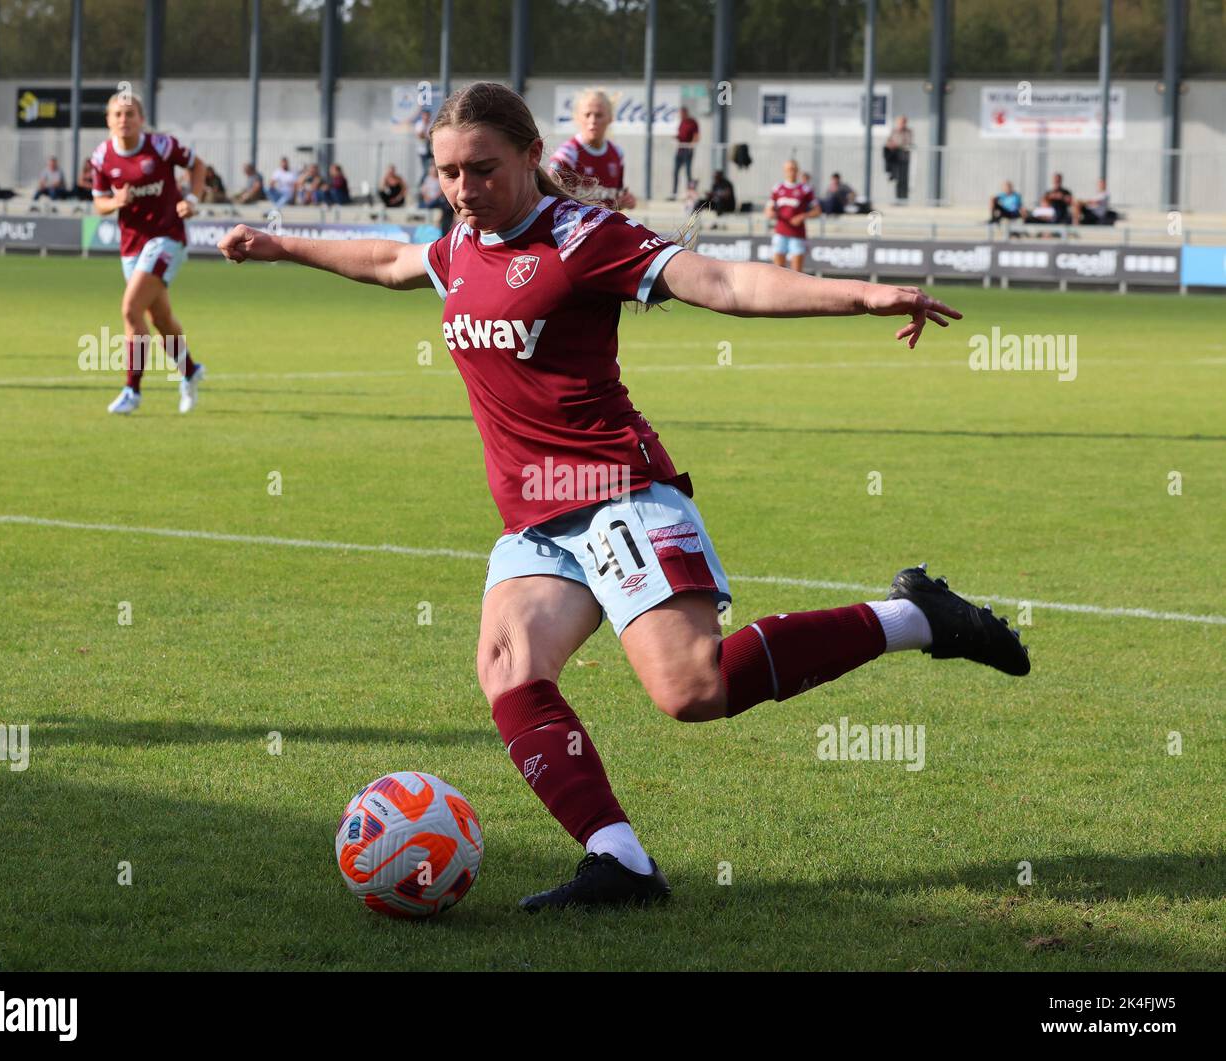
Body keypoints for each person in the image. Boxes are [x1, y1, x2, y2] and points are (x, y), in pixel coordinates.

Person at [217, 81, 1027, 913]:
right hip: (534, 518)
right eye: (448, 173)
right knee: (507, 666)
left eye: (483, 170)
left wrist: (861, 294)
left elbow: (723, 283)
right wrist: (280, 244)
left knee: (692, 689)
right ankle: (620, 862)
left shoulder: (583, 237)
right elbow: (390, 261)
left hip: (615, 493)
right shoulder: (461, 242)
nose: (464, 190)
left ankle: (918, 617)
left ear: (533, 156)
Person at [90, 91, 207, 415]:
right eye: (117, 114)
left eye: (130, 114)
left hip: (168, 238)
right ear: (108, 120)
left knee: (130, 309)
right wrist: (116, 202)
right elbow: (99, 202)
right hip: (132, 246)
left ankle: (132, 390)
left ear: (141, 119)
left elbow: (198, 166)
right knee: (160, 319)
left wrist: (193, 200)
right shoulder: (101, 157)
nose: (123, 120)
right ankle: (190, 371)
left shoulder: (161, 146)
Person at [549, 88, 635, 211]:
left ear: (610, 118)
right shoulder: (568, 154)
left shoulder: (617, 154)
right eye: (587, 114)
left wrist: (624, 202)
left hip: (604, 227)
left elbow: (613, 203)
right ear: (577, 118)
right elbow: (547, 195)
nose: (592, 120)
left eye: (599, 115)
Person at [765, 159, 820, 273]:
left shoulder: (805, 189)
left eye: (793, 169)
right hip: (780, 232)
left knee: (796, 272)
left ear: (798, 171)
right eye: (789, 169)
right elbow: (768, 209)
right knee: (778, 270)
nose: (791, 172)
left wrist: (802, 216)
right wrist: (770, 213)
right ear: (784, 171)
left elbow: (817, 211)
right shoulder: (777, 188)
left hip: (797, 234)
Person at [670, 105, 700, 198]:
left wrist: (692, 145)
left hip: (687, 150)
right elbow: (680, 135)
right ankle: (674, 193)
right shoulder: (681, 122)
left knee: (688, 172)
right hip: (680, 150)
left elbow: (696, 135)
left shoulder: (692, 122)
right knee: (675, 172)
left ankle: (689, 193)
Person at [883, 115, 913, 202]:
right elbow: (889, 141)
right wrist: (891, 144)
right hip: (895, 159)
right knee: (897, 180)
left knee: (903, 180)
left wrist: (897, 145)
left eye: (903, 122)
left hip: (904, 158)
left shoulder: (908, 132)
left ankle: (903, 199)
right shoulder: (894, 131)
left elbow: (908, 143)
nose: (901, 124)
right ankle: (897, 199)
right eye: (900, 122)